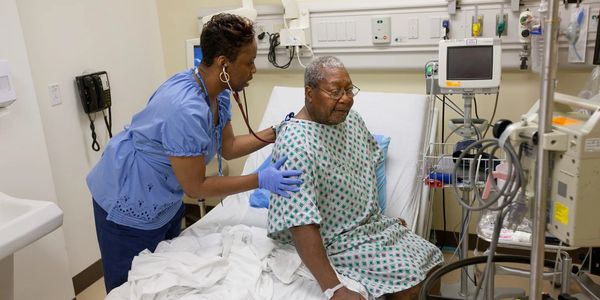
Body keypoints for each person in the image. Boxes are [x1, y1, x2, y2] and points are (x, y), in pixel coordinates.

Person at [87, 13, 302, 293]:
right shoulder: (185, 109)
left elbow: (229, 147)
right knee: (132, 288)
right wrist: (259, 180)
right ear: (224, 64)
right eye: (249, 62)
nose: (253, 70)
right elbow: (196, 185)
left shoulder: (218, 90)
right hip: (128, 200)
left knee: (166, 280)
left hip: (165, 200)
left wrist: (276, 132)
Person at [267, 56, 443, 300]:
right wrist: (334, 288)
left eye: (349, 89)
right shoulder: (296, 144)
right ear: (309, 92)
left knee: (434, 261)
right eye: (335, 91)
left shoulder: (351, 121)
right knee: (409, 281)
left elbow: (370, 164)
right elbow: (301, 223)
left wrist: (382, 217)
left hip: (368, 228)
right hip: (335, 239)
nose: (346, 98)